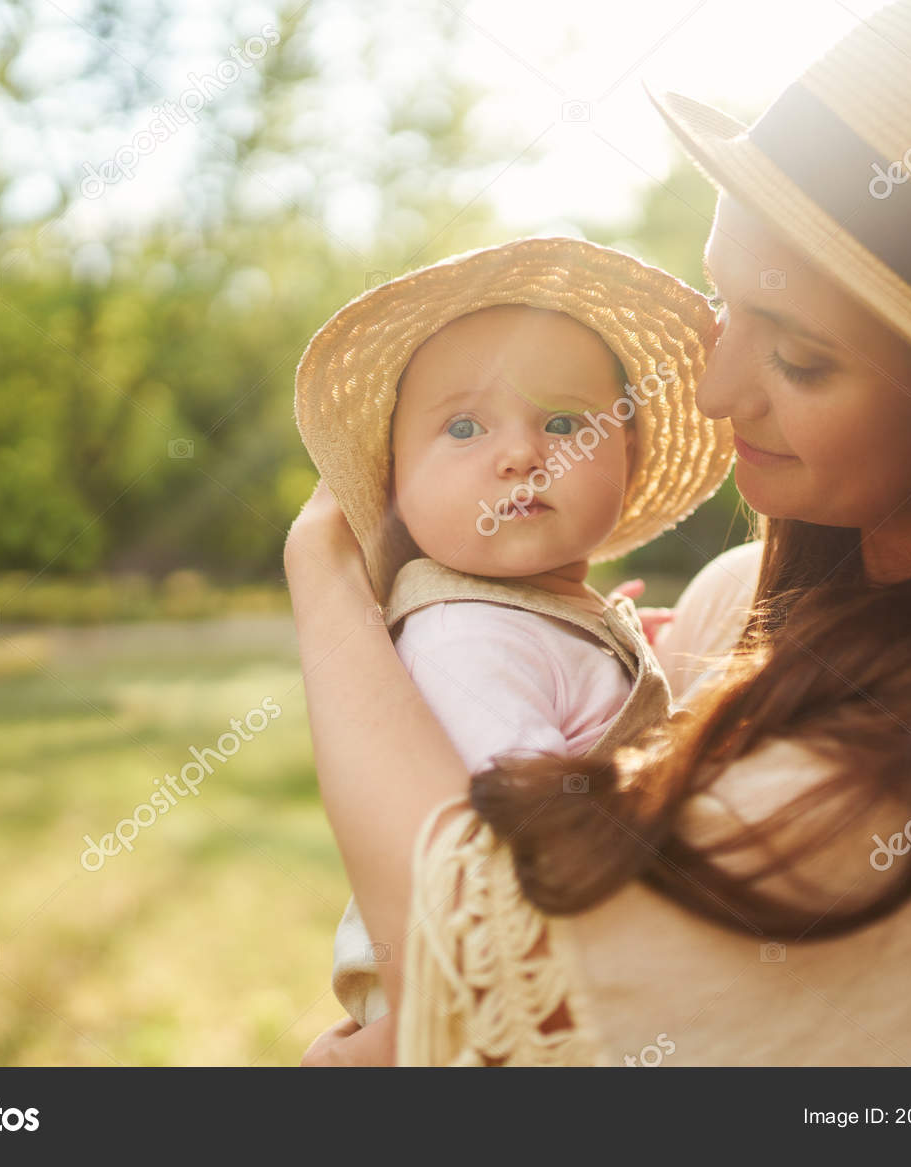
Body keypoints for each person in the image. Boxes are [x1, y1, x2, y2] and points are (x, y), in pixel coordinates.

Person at [287, 0, 911, 1066]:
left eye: (800, 359)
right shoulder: (727, 608)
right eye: (722, 301)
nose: (710, 391)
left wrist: (332, 586)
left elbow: (490, 967)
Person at [291, 237, 734, 1062]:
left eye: (565, 422)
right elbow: (513, 851)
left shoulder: (543, 622)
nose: (522, 453)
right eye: (464, 426)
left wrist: (636, 682)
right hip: (470, 1016)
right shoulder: (465, 638)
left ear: (628, 456)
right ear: (394, 484)